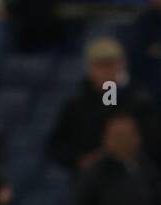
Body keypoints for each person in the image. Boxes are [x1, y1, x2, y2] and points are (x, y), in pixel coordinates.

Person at [48, 36, 161, 173]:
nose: (106, 71)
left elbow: (153, 143)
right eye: (100, 65)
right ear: (89, 68)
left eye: (111, 64)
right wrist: (79, 160)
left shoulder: (139, 103)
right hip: (90, 184)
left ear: (122, 65)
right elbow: (56, 146)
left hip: (133, 181)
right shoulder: (76, 106)